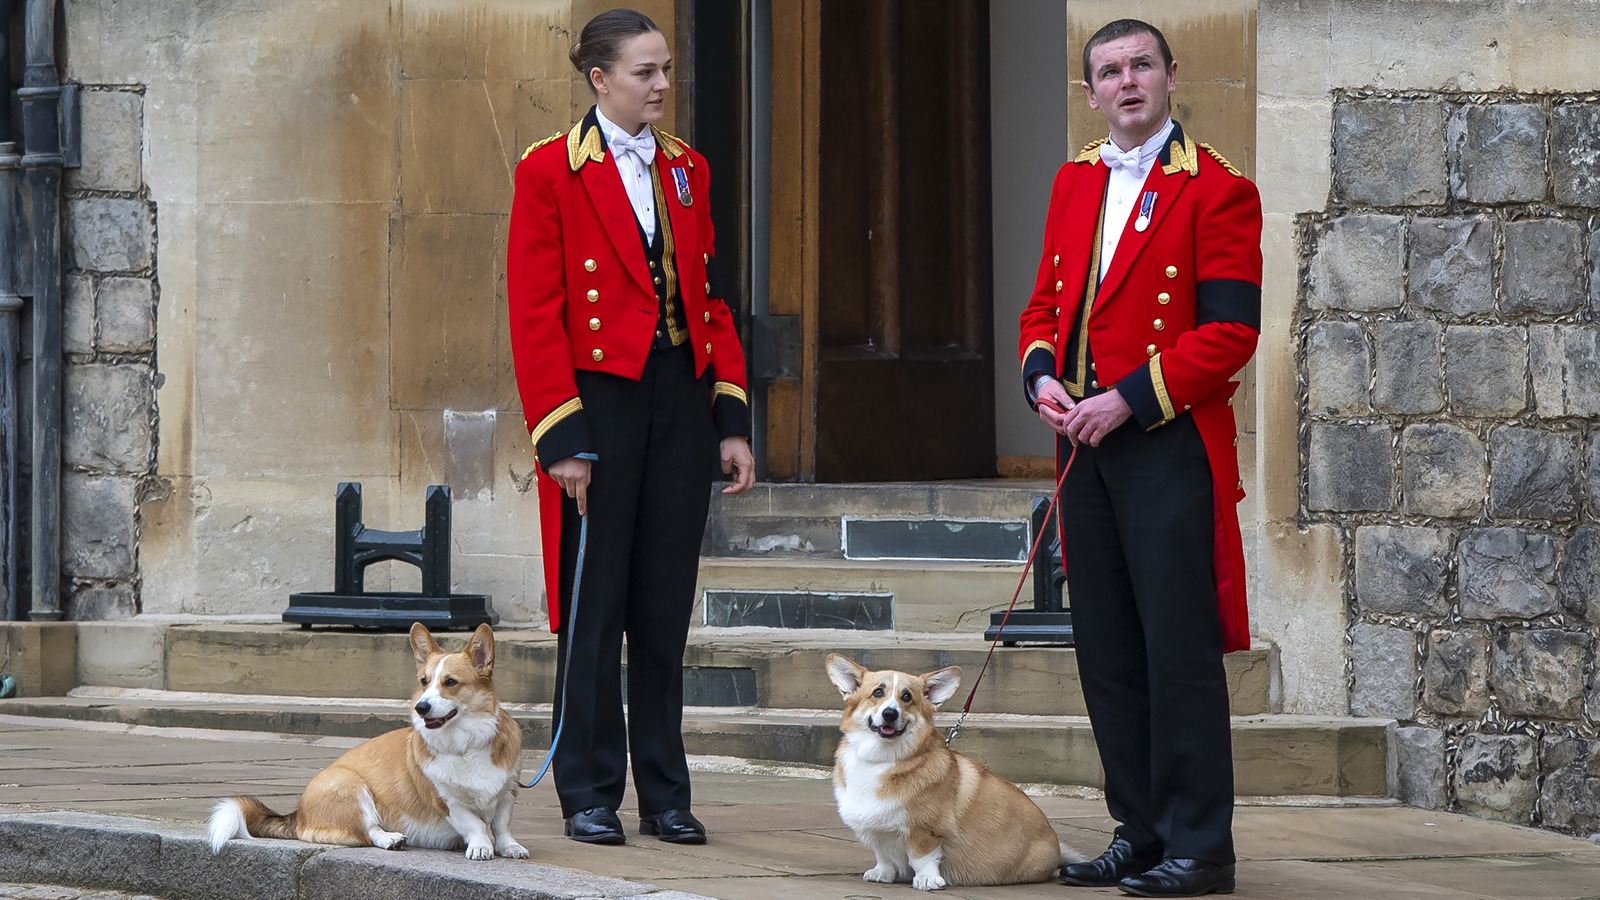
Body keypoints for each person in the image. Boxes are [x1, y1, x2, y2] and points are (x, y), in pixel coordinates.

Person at [1017, 18, 1261, 899]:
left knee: (1176, 650)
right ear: (1090, 92)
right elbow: (1044, 305)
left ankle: (1202, 844)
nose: (1127, 83)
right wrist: (1044, 378)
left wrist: (1128, 396)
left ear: (1167, 77)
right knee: (1107, 648)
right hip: (1084, 445)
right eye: (1109, 71)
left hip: (1163, 443)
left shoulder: (1218, 190)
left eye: (1141, 67)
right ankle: (1141, 828)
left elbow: (1232, 332)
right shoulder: (1075, 179)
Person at [506, 7, 755, 847]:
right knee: (594, 606)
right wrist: (562, 438)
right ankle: (586, 790)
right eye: (645, 72)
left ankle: (666, 793)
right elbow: (535, 315)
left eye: (666, 70)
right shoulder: (549, 170)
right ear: (599, 79)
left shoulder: (687, 169)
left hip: (678, 402)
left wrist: (729, 418)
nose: (662, 85)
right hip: (596, 408)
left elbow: (710, 300)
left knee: (661, 608)